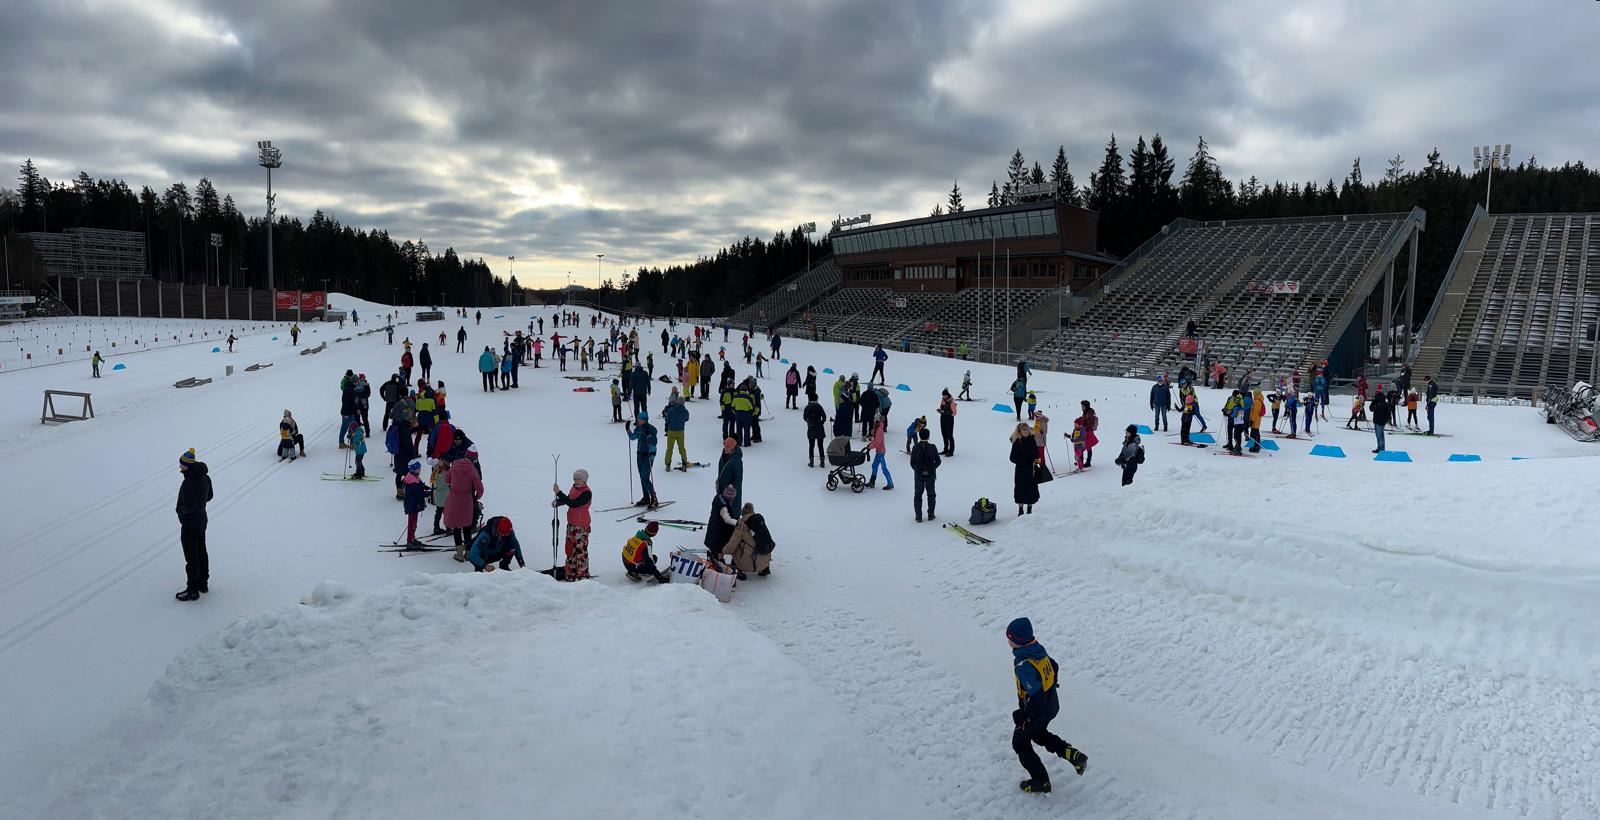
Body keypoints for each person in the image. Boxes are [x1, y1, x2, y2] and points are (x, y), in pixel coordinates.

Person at [1006, 617, 1088, 793]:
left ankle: (1041, 782)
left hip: (1038, 710)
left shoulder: (1024, 665)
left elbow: (1036, 697)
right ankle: (1073, 755)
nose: (1008, 641)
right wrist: (1050, 686)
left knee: (1020, 743)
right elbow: (1054, 666)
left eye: (1010, 638)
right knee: (1039, 734)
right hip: (1052, 704)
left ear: (1018, 642)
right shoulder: (1036, 649)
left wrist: (1024, 716)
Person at [174, 448, 213, 601]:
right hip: (202, 521)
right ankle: (203, 583)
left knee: (191, 557)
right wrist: (200, 503)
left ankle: (192, 590)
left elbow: (188, 506)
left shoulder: (188, 483)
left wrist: (180, 510)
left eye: (182, 465)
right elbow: (209, 496)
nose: (180, 468)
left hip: (190, 524)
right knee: (202, 551)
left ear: (188, 466)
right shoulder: (205, 477)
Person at [553, 469, 594, 581]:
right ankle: (570, 574)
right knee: (570, 549)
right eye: (575, 478)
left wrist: (559, 493)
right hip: (571, 524)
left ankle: (582, 575)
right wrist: (558, 502)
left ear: (584, 480)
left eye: (579, 479)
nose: (576, 481)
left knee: (580, 551)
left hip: (581, 526)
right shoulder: (574, 488)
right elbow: (569, 499)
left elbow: (574, 503)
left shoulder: (586, 492)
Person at [443, 452, 483, 559]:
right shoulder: (473, 471)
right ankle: (469, 552)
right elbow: (480, 488)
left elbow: (447, 479)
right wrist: (477, 496)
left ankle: (459, 553)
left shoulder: (454, 466)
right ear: (474, 459)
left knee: (456, 526)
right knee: (466, 526)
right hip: (466, 499)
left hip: (454, 498)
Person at [627, 411, 659, 508]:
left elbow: (654, 442)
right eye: (638, 419)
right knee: (642, 477)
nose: (638, 421)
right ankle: (646, 497)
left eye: (640, 420)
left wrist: (648, 436)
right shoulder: (639, 428)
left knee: (645, 477)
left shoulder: (650, 429)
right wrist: (627, 429)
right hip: (640, 454)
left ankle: (654, 499)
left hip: (649, 455)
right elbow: (632, 438)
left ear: (644, 420)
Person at [909, 427, 941, 522]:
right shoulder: (933, 447)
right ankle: (931, 514)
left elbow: (912, 463)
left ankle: (918, 516)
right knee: (931, 494)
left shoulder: (915, 447)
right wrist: (932, 468)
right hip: (930, 475)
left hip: (918, 475)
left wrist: (917, 470)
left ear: (919, 436)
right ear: (928, 436)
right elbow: (938, 461)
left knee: (918, 495)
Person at [704, 485, 741, 562]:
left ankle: (717, 557)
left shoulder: (718, 498)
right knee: (719, 546)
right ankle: (718, 559)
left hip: (714, 525)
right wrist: (737, 523)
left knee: (717, 546)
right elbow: (727, 519)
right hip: (718, 531)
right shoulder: (723, 506)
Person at [1010, 423, 1040, 516]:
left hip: (1032, 470)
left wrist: (1037, 460)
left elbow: (1036, 453)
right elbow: (1012, 458)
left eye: (1027, 429)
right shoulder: (1017, 442)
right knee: (1021, 490)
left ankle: (1029, 509)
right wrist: (1024, 461)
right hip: (1021, 471)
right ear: (1020, 431)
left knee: (1031, 490)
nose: (1026, 431)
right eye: (1024, 430)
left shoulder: (1032, 440)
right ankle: (1020, 510)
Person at [401, 459, 429, 546]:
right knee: (412, 524)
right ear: (415, 469)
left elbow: (419, 485)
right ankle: (410, 541)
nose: (420, 470)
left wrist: (425, 487)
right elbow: (420, 493)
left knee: (413, 523)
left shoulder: (412, 477)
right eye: (419, 468)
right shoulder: (413, 482)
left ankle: (412, 538)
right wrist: (430, 493)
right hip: (413, 505)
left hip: (413, 505)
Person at [663, 395, 690, 471]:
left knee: (669, 449)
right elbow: (686, 419)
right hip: (680, 432)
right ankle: (684, 464)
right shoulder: (685, 411)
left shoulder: (671, 410)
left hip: (671, 431)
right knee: (682, 448)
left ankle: (668, 465)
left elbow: (667, 420)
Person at [866, 413, 893, 490]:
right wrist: (869, 445)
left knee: (884, 468)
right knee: (874, 466)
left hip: (881, 452)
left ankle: (890, 483)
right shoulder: (877, 428)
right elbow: (875, 440)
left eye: (875, 419)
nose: (874, 420)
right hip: (879, 451)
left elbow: (878, 442)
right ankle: (872, 482)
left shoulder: (879, 429)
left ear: (877, 420)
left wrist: (870, 447)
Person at [716, 437, 744, 510]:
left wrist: (732, 491)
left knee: (732, 513)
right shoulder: (724, 456)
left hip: (731, 494)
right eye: (725, 446)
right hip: (722, 489)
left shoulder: (737, 461)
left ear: (732, 448)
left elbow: (738, 479)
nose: (725, 448)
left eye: (727, 447)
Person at [803, 395, 828, 468]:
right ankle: (822, 463)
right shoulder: (819, 406)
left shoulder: (807, 407)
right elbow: (824, 417)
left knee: (811, 446)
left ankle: (811, 462)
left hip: (811, 428)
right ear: (816, 399)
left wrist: (809, 422)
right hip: (819, 428)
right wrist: (821, 422)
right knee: (820, 446)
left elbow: (804, 417)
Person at [1076, 401, 1100, 466]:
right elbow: (1084, 419)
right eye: (1081, 406)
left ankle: (1087, 462)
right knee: (1085, 446)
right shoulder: (1086, 412)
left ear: (1086, 406)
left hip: (1088, 433)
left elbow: (1089, 425)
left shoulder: (1089, 414)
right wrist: (1079, 419)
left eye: (1082, 406)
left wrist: (1083, 428)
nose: (1081, 408)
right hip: (1085, 431)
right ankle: (1081, 460)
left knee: (1087, 447)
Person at [937, 389, 957, 456]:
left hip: (949, 420)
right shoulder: (943, 400)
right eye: (943, 395)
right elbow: (941, 408)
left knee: (950, 436)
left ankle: (951, 451)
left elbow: (954, 413)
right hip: (942, 419)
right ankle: (945, 450)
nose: (943, 397)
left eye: (944, 395)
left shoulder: (952, 402)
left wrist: (944, 412)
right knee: (944, 435)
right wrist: (940, 410)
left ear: (947, 395)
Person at [1370, 388, 1391, 453]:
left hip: (1378, 422)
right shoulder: (1385, 403)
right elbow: (1388, 414)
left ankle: (1380, 448)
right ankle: (1382, 447)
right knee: (1381, 434)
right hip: (1382, 422)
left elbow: (1371, 408)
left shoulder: (1377, 403)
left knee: (1379, 435)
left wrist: (1373, 402)